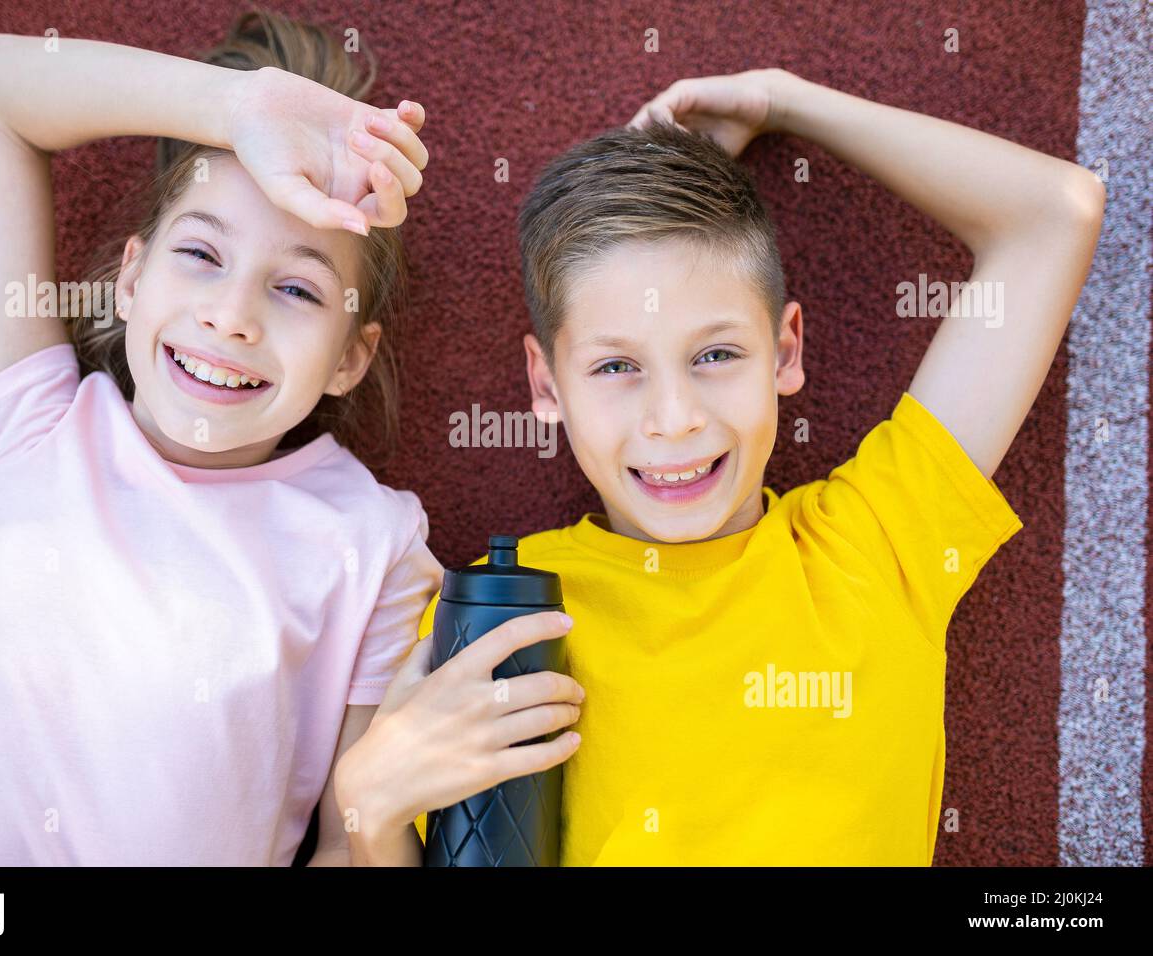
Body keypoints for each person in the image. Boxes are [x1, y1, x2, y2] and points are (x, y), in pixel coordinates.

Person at [335, 68, 1105, 865]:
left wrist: (784, 100)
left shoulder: (880, 543)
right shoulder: (503, 615)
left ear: (786, 349)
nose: (675, 418)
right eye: (615, 368)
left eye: (715, 354)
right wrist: (373, 812)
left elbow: (1055, 215)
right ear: (544, 385)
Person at [0, 8, 449, 866]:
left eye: (298, 291)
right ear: (129, 278)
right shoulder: (22, 426)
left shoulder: (371, 544)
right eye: (200, 254)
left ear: (350, 358)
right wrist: (236, 112)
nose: (231, 318)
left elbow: (352, 844)